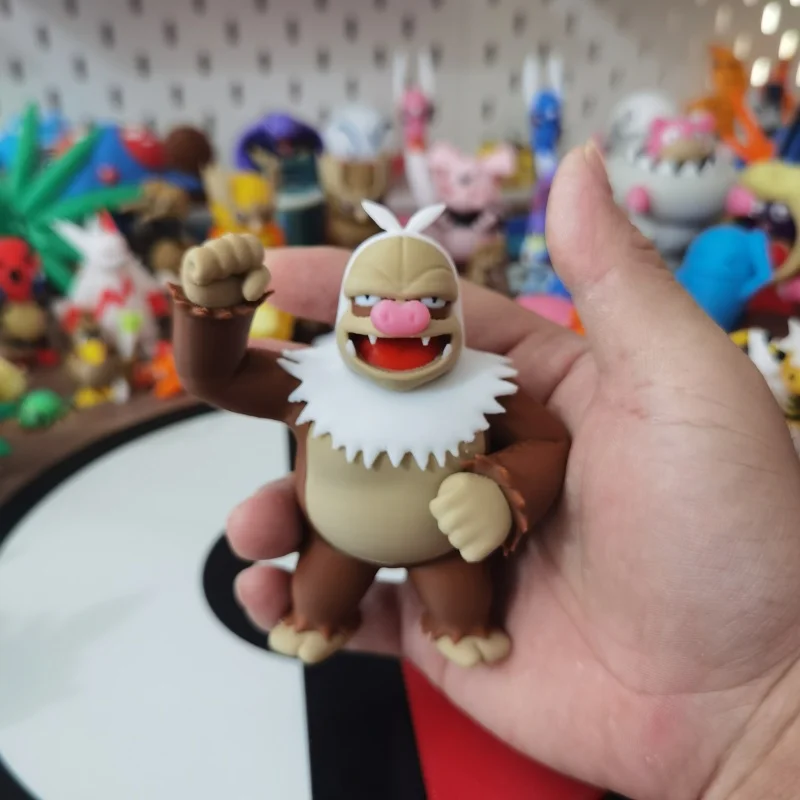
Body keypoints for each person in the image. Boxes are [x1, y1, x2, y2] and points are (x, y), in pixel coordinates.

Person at [225, 144, 800, 800]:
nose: (400, 317)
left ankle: (459, 628)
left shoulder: (483, 387)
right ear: (349, 309)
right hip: (334, 541)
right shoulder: (313, 380)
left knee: (464, 606)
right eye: (374, 300)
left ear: (453, 312)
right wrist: (212, 317)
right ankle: (319, 619)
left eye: (429, 302)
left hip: (447, 549)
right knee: (316, 598)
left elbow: (547, 441)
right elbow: (221, 376)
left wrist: (501, 491)